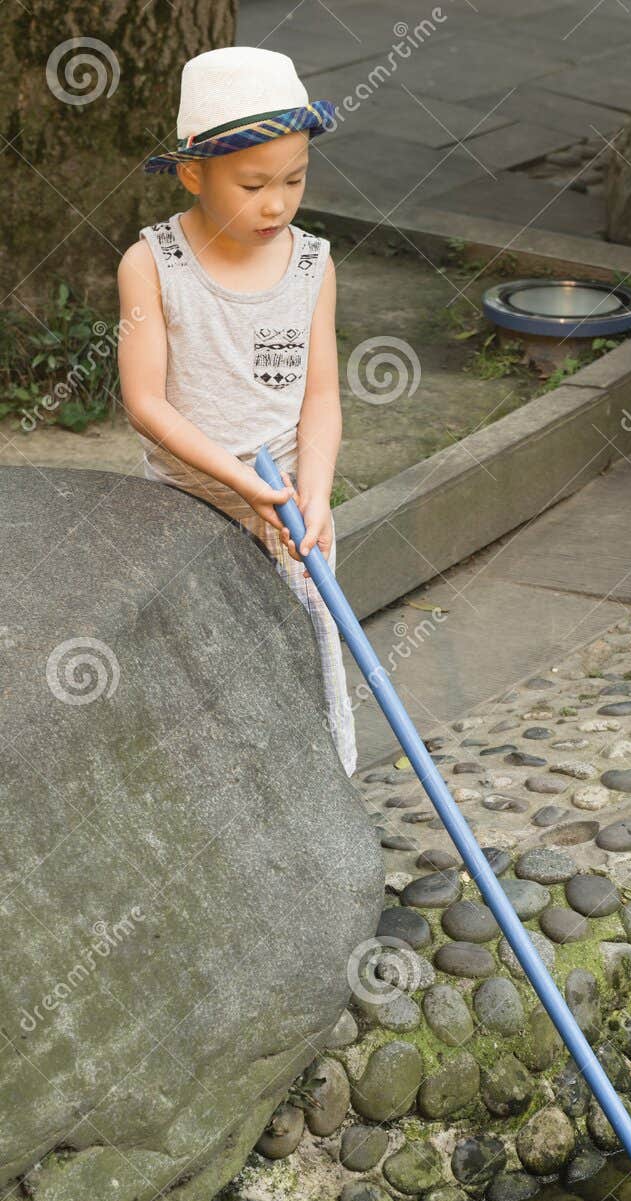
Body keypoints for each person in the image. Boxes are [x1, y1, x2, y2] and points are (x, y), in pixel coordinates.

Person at [117, 45, 358, 777]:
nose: (277, 203)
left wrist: (312, 493)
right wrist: (237, 484)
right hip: (187, 501)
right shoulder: (153, 264)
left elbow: (320, 395)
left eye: (295, 178)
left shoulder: (312, 263)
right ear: (192, 173)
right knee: (202, 672)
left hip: (290, 507)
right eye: (253, 184)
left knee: (305, 655)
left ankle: (322, 800)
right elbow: (146, 403)